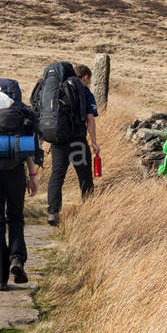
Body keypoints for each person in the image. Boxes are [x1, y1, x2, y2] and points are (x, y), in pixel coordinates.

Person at [0, 83, 41, 290]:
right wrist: (32, 176)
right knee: (15, 217)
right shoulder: (18, 114)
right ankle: (16, 259)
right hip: (15, 173)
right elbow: (27, 149)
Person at [45, 63, 98, 225]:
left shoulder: (56, 90)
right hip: (77, 142)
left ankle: (53, 213)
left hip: (58, 140)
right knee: (84, 176)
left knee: (57, 175)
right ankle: (89, 210)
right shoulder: (85, 92)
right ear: (86, 77)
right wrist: (94, 142)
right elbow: (90, 118)